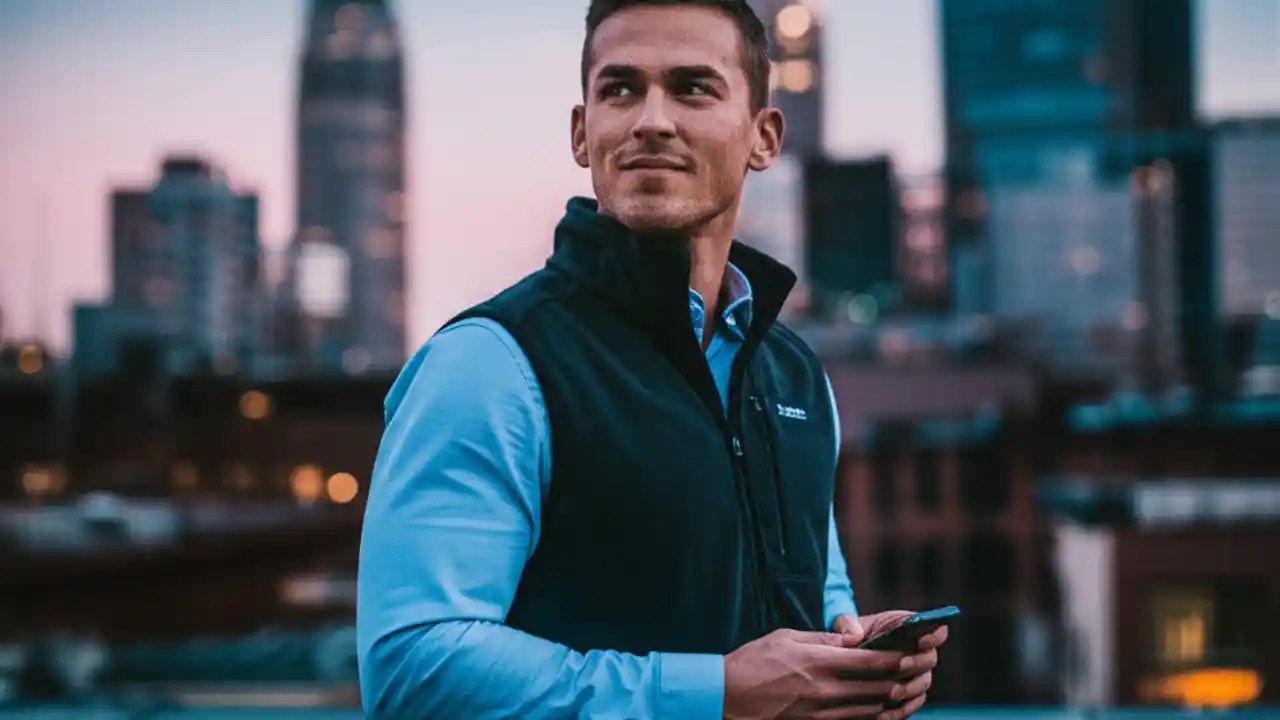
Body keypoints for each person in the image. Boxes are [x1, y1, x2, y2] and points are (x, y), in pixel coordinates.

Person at [356, 0, 948, 717]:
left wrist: (854, 657)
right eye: (621, 89)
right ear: (582, 133)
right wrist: (717, 694)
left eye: (693, 88)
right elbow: (414, 667)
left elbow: (818, 597)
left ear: (764, 137)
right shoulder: (491, 365)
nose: (651, 120)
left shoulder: (794, 375)